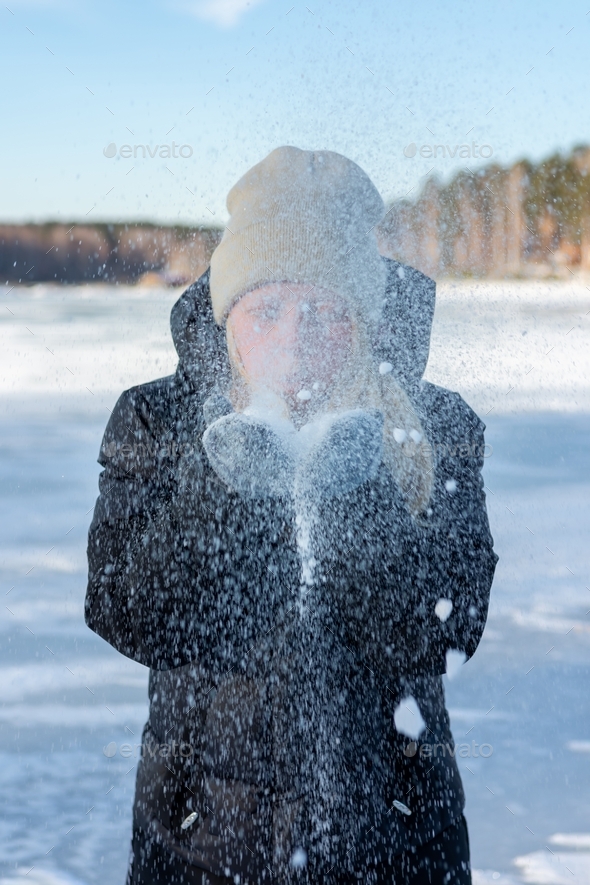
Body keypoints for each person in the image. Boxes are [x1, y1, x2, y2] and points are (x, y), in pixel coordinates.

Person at [85, 146, 498, 884]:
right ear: (229, 317)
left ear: (363, 319)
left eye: (323, 310)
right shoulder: (158, 421)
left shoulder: (435, 427)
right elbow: (128, 609)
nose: (295, 336)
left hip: (394, 843)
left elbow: (446, 626)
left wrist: (354, 489)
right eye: (268, 309)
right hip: (201, 843)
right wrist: (229, 482)